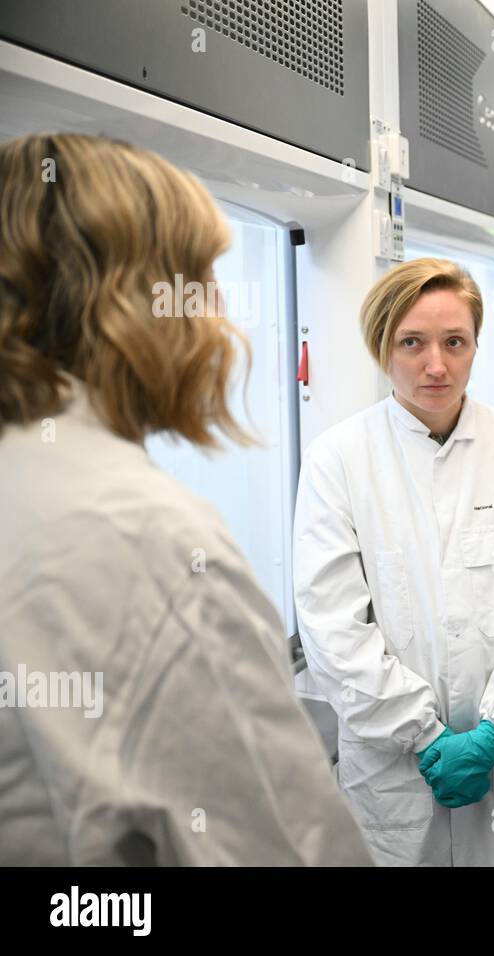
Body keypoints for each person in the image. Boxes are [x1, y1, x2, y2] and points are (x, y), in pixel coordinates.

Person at [0, 132, 372, 865]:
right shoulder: (143, 535)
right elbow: (285, 847)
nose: (220, 323)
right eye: (200, 282)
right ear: (131, 304)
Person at [293, 258, 494, 866]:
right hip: (395, 778)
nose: (436, 365)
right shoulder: (337, 461)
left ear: (477, 344)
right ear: (381, 347)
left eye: (455, 342)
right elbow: (334, 628)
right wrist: (424, 735)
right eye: (412, 343)